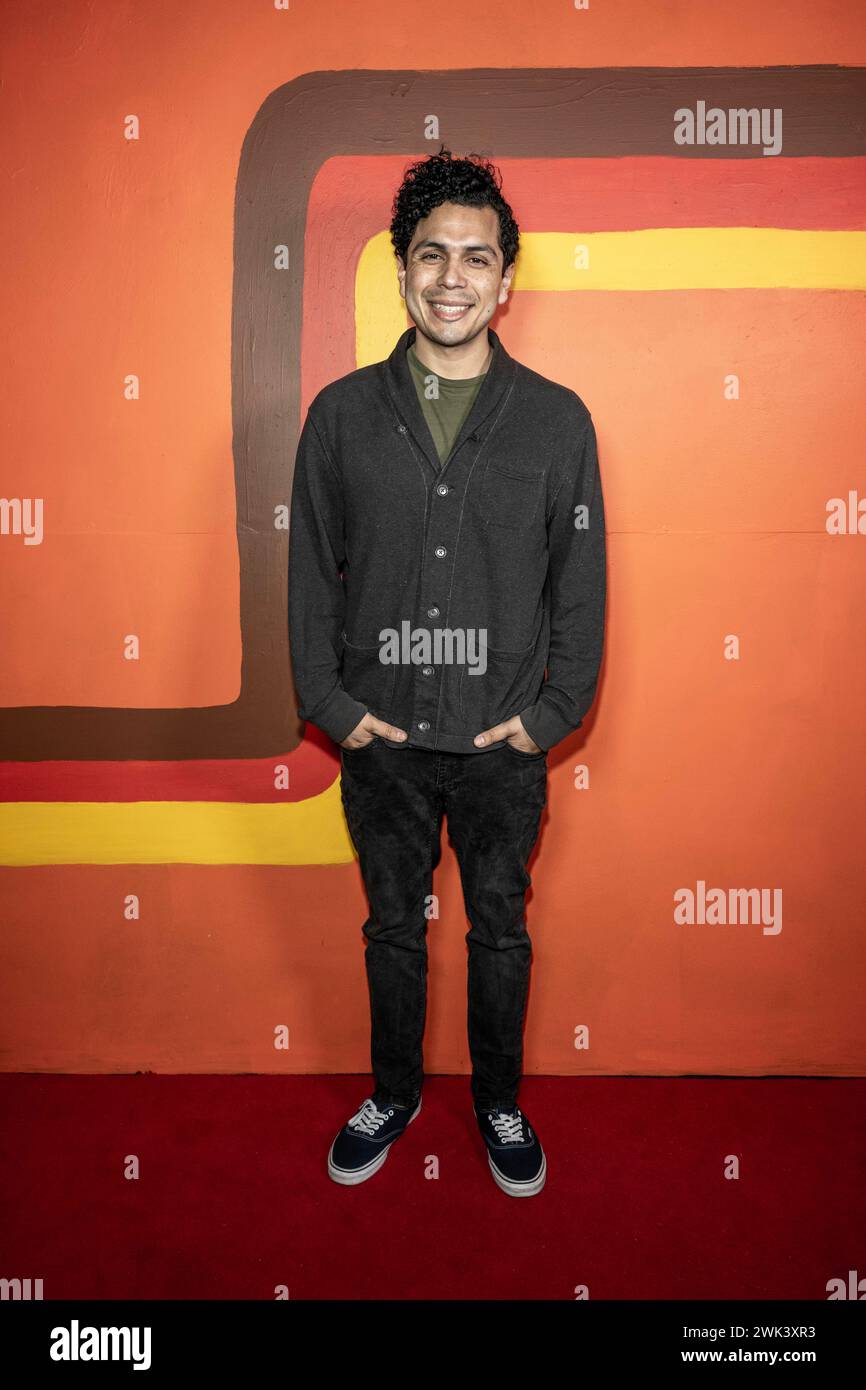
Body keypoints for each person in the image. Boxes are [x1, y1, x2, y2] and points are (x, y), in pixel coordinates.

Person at [288, 146, 606, 1197]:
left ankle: (499, 1100)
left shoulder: (557, 421)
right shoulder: (338, 415)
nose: (451, 278)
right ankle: (393, 1089)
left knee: (500, 929)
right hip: (378, 740)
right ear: (401, 268)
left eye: (476, 257)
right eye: (431, 255)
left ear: (505, 280)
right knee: (389, 927)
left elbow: (579, 582)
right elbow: (308, 574)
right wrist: (335, 707)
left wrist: (549, 714)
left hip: (499, 743)